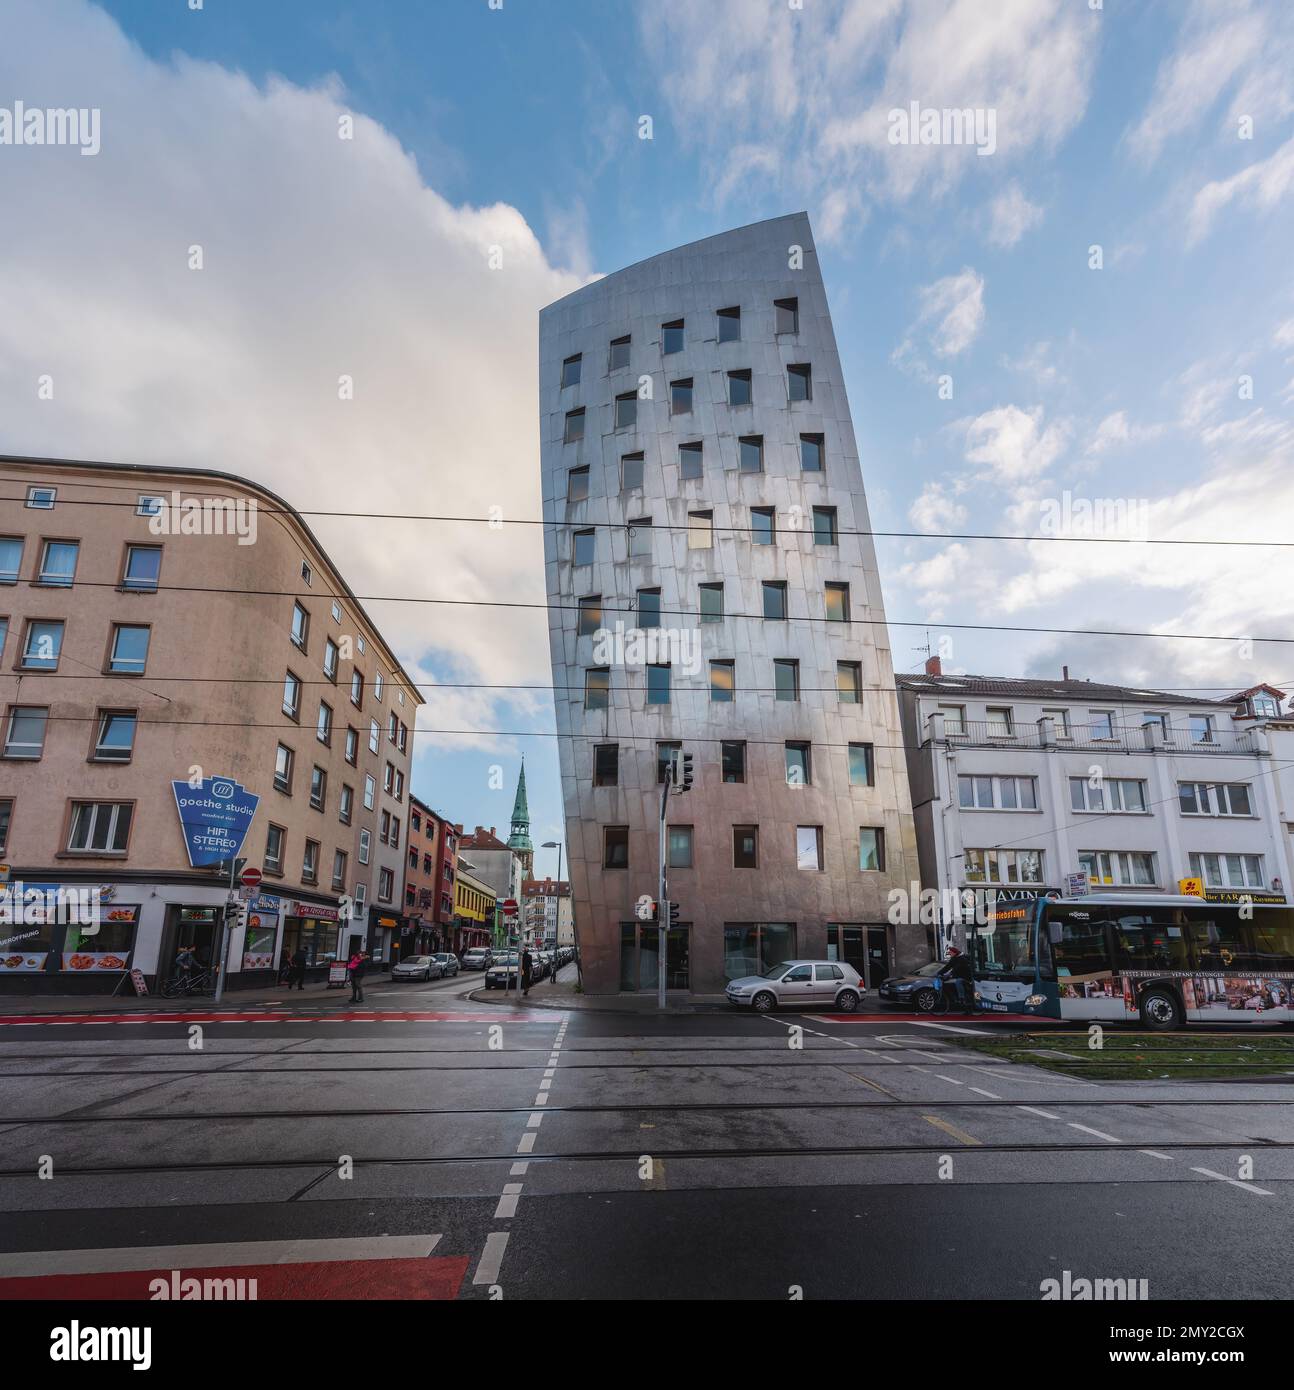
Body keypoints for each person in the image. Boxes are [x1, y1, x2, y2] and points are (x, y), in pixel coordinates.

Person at [938, 945, 975, 1014]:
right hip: (958, 976)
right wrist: (939, 973)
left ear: (955, 953)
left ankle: (961, 998)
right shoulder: (953, 959)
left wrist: (949, 974)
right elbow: (947, 967)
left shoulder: (962, 959)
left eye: (950, 953)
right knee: (949, 982)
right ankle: (964, 1006)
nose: (950, 954)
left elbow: (957, 968)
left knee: (958, 981)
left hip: (967, 977)